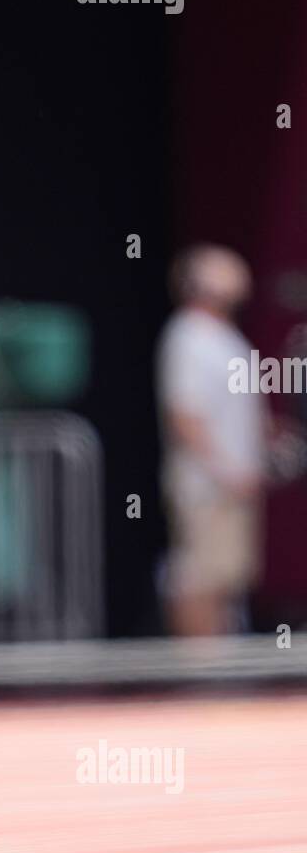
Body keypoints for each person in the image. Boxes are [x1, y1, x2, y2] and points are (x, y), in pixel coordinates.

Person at [155, 244, 266, 637]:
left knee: (226, 579)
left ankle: (218, 674)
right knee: (199, 577)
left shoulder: (225, 336)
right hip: (207, 484)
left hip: (234, 483)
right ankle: (198, 675)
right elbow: (184, 414)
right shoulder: (189, 335)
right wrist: (224, 469)